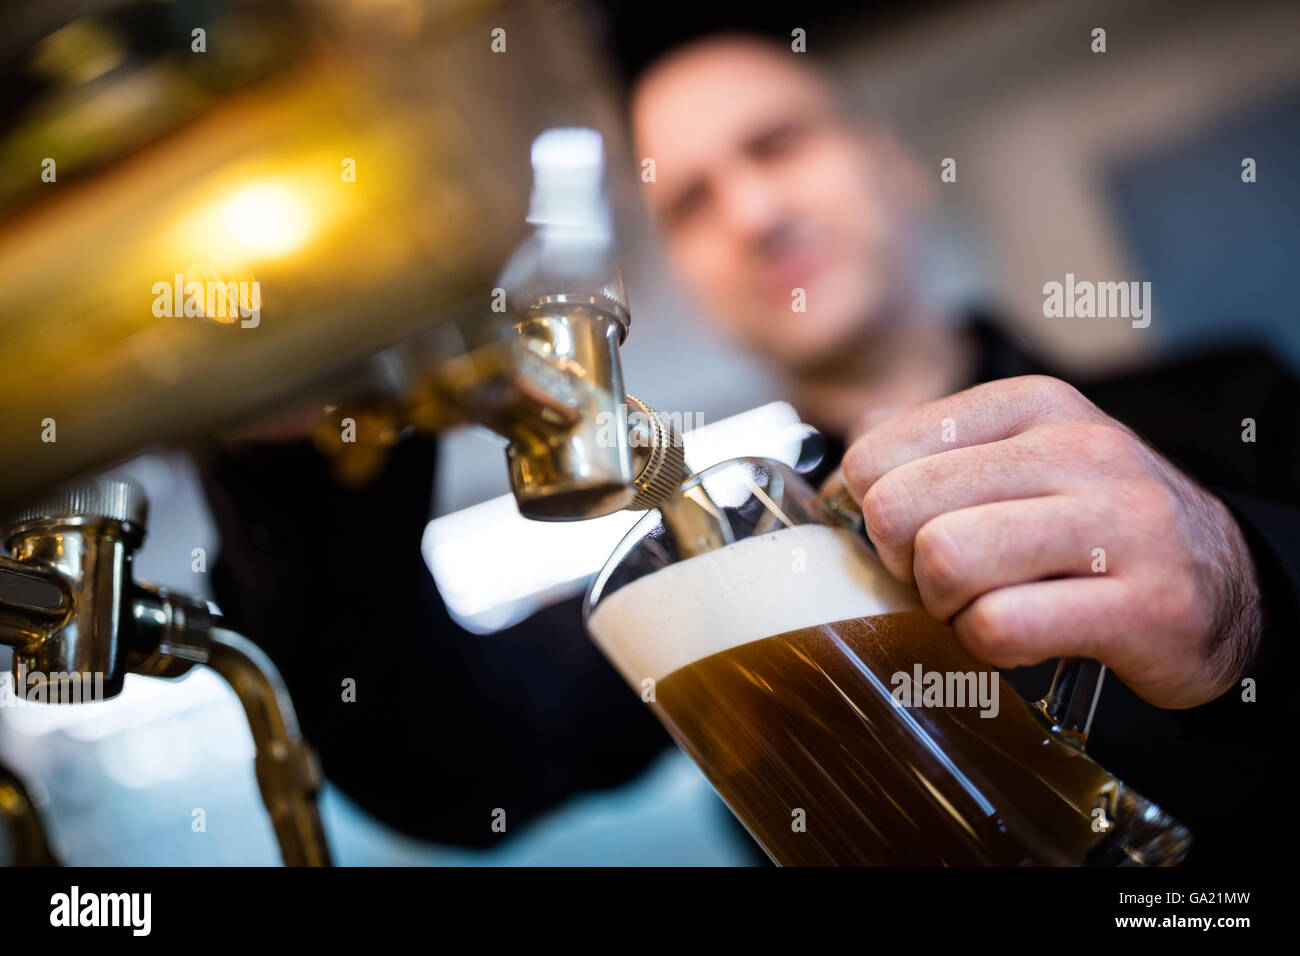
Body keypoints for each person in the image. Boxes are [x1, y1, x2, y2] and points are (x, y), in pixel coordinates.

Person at [199, 29, 1297, 866]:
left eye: (777, 144)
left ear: (891, 163)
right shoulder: (716, 567)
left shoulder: (1223, 404)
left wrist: (1247, 603)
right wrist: (292, 452)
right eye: (690, 202)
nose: (755, 211)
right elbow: (459, 754)